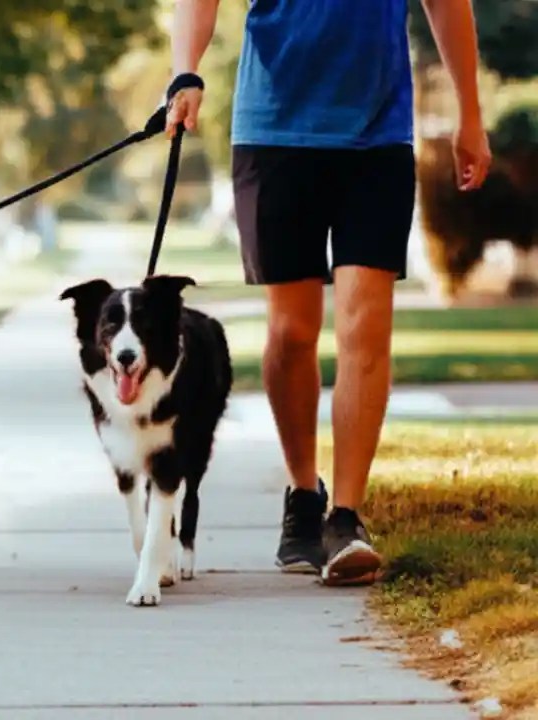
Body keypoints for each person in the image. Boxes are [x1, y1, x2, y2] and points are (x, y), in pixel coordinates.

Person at [167, 0, 491, 585]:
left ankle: (346, 517)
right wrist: (185, 71)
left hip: (377, 138)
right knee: (292, 334)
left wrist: (470, 111)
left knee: (364, 324)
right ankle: (303, 495)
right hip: (274, 130)